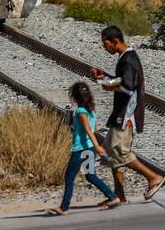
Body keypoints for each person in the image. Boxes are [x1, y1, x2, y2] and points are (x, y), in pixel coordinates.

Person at [92, 25, 165, 207]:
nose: (105, 47)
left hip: (127, 114)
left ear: (115, 41)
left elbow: (127, 87)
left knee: (120, 150)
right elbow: (123, 82)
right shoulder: (125, 58)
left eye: (105, 43)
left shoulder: (129, 59)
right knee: (111, 148)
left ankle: (153, 177)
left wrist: (107, 83)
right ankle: (119, 195)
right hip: (121, 112)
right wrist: (103, 79)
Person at [47, 81, 116, 216]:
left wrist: (98, 146)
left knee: (69, 176)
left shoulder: (80, 111)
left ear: (75, 97)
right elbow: (94, 130)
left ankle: (64, 207)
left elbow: (89, 131)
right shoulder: (91, 111)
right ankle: (113, 197)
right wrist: (96, 146)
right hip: (89, 149)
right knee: (90, 176)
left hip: (81, 150)